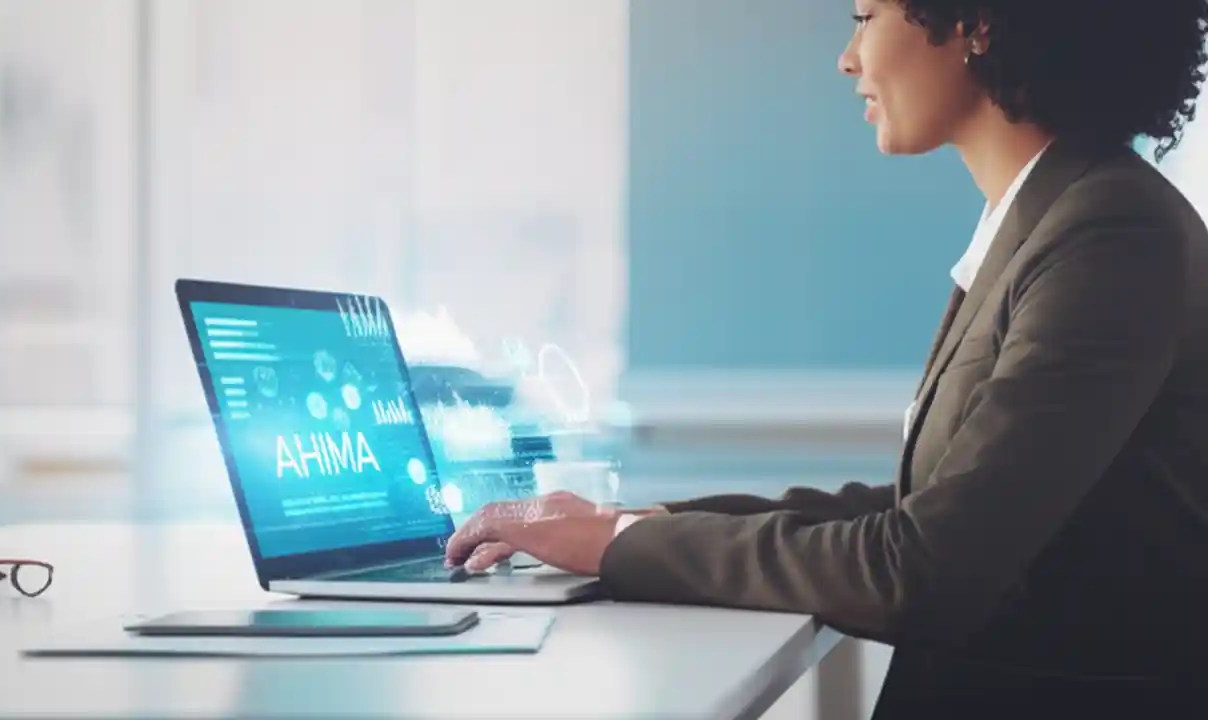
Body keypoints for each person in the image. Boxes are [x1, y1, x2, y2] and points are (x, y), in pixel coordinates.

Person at [446, 0, 1208, 715]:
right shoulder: (1057, 216)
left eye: (865, 16)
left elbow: (922, 567)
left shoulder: (1107, 234)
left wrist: (618, 546)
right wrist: (638, 523)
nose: (848, 59)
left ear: (974, 24)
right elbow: (921, 507)